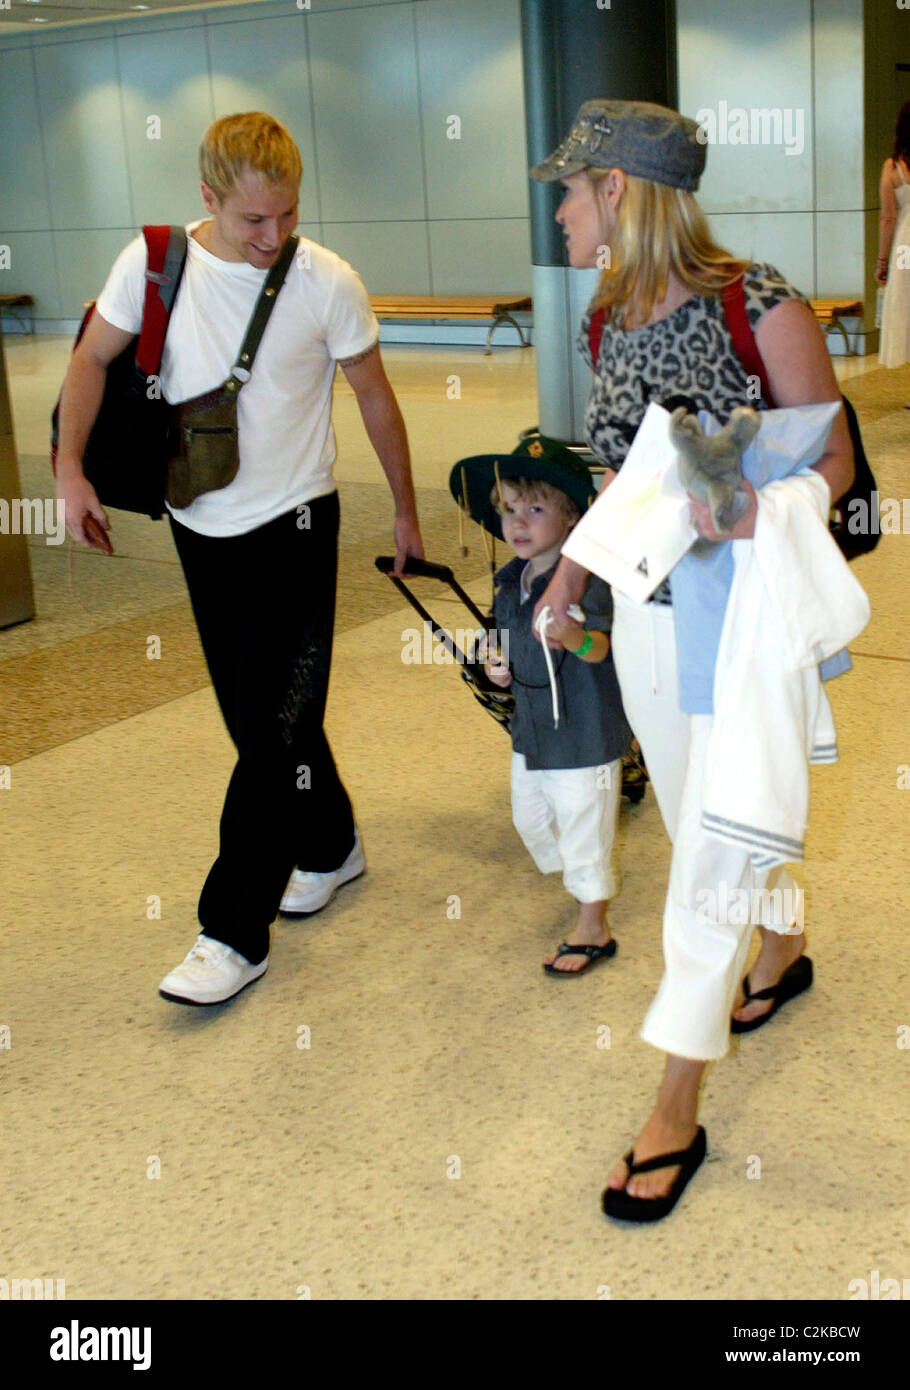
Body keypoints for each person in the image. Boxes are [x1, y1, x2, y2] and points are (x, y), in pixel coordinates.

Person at [529, 100, 855, 1218]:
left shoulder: (756, 301)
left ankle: (675, 1097)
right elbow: (623, 475)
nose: (560, 208)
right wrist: (570, 576)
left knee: (705, 862)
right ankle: (784, 946)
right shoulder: (608, 316)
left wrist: (755, 506)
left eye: (569, 188)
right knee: (695, 822)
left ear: (616, 189)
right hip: (648, 622)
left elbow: (838, 459)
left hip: (743, 623)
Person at [55, 111, 424, 1006]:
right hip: (201, 528)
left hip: (299, 527)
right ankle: (331, 844)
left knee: (271, 733)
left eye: (289, 216)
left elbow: (374, 396)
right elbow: (90, 362)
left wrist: (409, 515)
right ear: (209, 199)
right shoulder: (151, 267)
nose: (274, 238)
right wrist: (68, 470)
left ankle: (232, 931)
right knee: (264, 720)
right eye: (254, 221)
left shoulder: (326, 279)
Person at [451, 438, 630, 974]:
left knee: (582, 824)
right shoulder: (511, 581)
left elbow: (601, 647)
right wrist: (494, 663)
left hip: (583, 734)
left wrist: (574, 637)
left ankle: (593, 922)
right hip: (530, 732)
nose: (517, 523)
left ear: (573, 519)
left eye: (535, 508)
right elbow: (501, 643)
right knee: (529, 818)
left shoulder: (589, 581)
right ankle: (582, 875)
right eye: (508, 509)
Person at [877, 100, 910, 388]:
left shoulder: (893, 167)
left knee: (905, 307)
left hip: (904, 248)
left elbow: (888, 218)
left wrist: (882, 262)